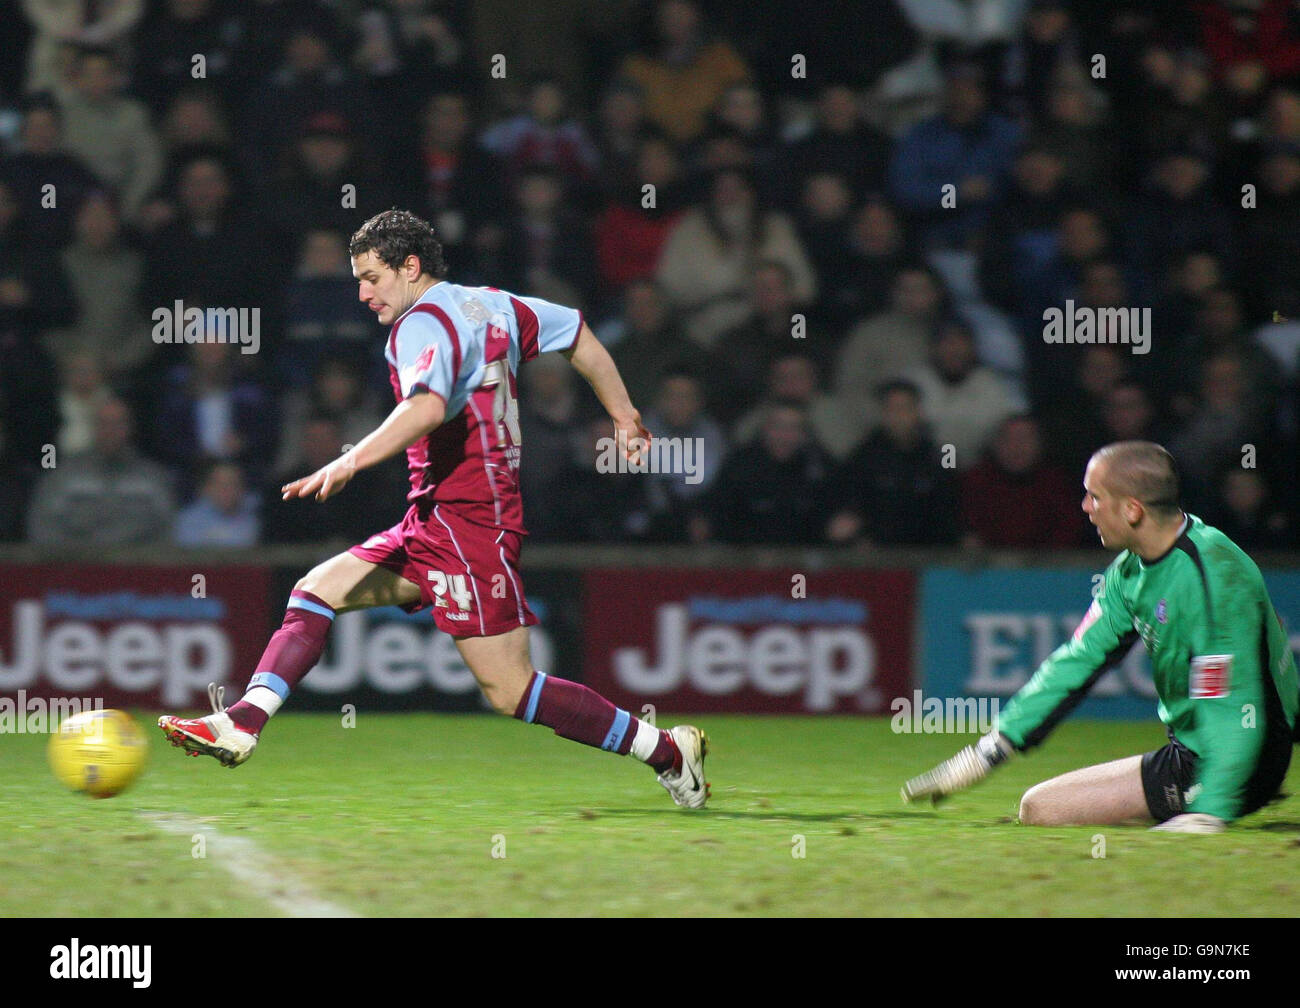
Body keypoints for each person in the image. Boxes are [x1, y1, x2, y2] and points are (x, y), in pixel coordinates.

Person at [158, 209, 709, 809]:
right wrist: (624, 413)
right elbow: (577, 333)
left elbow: (425, 408)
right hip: (434, 519)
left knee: (511, 691)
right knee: (316, 590)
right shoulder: (492, 304)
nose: (363, 294)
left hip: (470, 525)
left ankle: (667, 751)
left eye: (371, 277)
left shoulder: (419, 326)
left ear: (410, 266)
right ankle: (243, 720)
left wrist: (347, 462)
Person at [902, 441, 1297, 833]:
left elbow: (1232, 707)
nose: (1085, 508)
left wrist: (1211, 808)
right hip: (1199, 749)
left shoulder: (1212, 576)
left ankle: (1224, 793)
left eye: (1094, 496)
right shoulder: (1129, 572)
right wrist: (991, 749)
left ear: (1132, 509)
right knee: (1038, 806)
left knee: (1044, 810)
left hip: (1241, 752)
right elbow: (1076, 661)